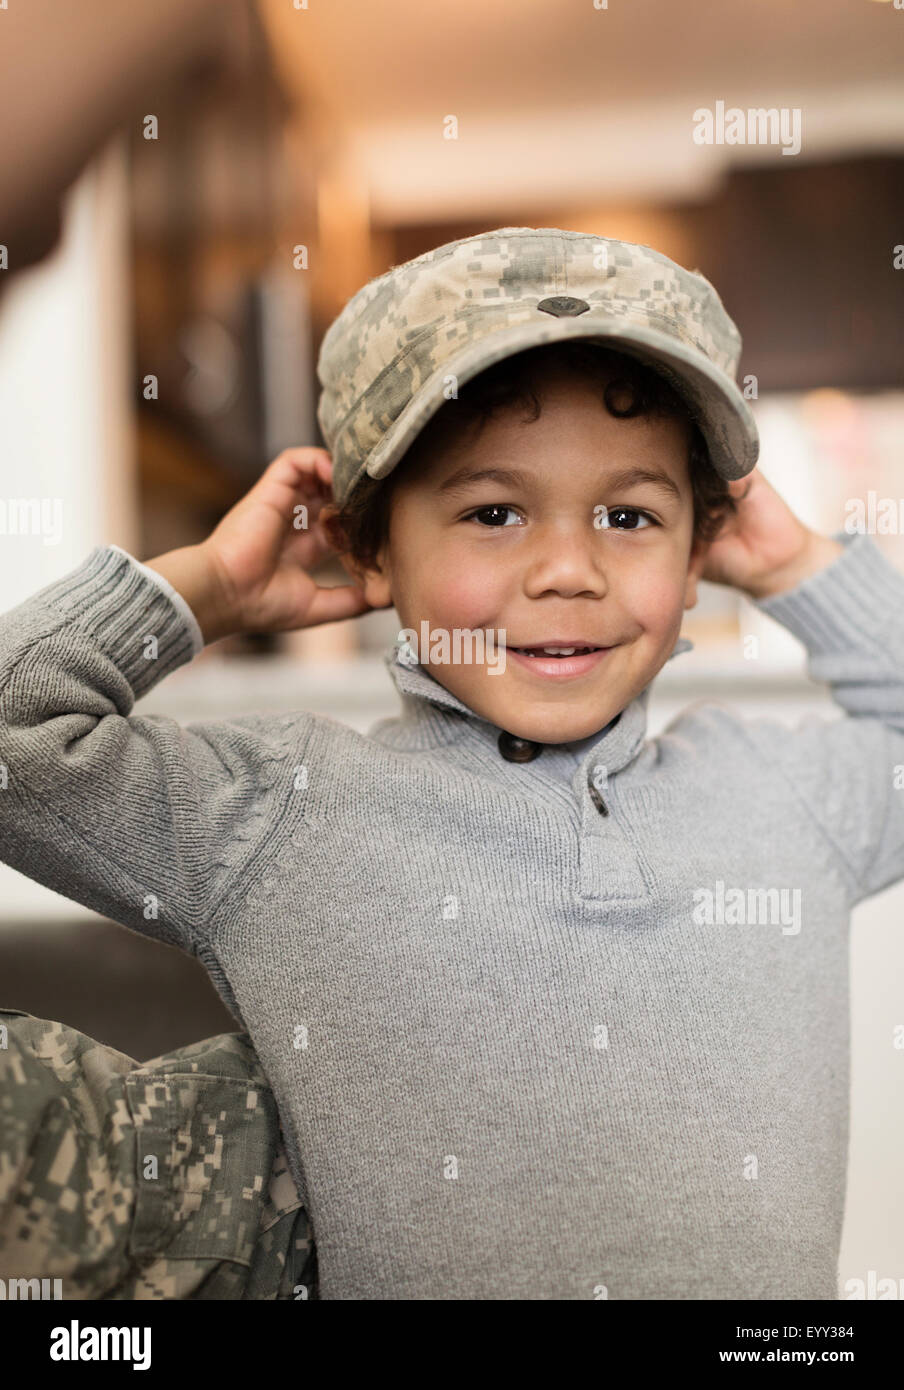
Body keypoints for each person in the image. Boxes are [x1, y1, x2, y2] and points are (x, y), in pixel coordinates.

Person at [1, 225, 902, 1299]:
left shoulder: (780, 795)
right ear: (366, 545)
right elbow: (21, 740)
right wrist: (206, 589)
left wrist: (803, 567)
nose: (567, 568)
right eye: (492, 512)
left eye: (629, 514)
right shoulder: (278, 813)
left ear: (700, 547)